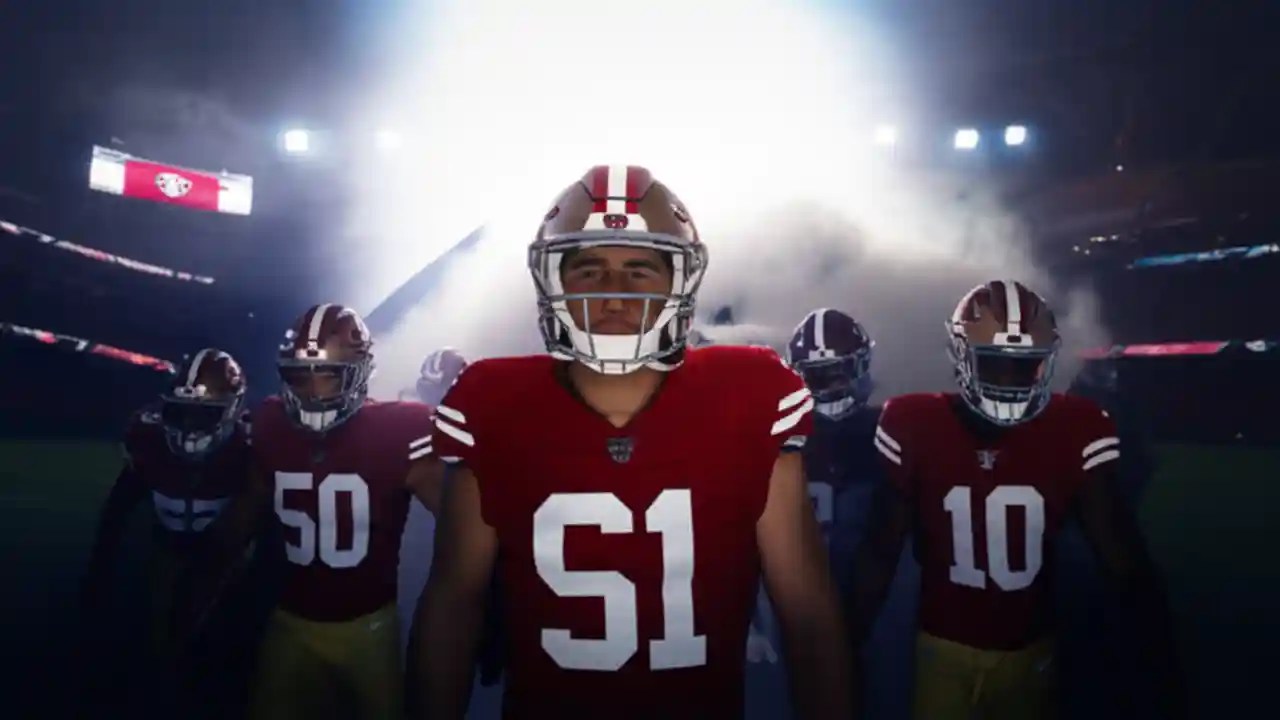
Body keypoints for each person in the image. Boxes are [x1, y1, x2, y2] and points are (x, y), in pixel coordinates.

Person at [414, 165, 853, 719]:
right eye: (589, 269)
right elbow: (455, 601)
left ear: (681, 279)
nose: (615, 293)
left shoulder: (750, 393)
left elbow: (806, 609)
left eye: (640, 269)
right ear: (552, 280)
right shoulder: (492, 399)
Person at [848, 279, 1184, 720]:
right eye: (992, 363)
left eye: (1022, 366)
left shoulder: (1075, 427)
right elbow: (880, 549)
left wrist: (1157, 649)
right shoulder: (913, 422)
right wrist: (847, 638)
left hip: (1032, 651)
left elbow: (1122, 559)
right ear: (961, 356)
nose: (1008, 381)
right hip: (943, 650)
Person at [217, 303, 444, 720]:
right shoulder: (269, 423)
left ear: (359, 373)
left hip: (370, 629)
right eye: (299, 374)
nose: (312, 389)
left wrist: (491, 599)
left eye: (328, 374)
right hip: (289, 621)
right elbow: (245, 513)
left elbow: (462, 526)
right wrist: (215, 576)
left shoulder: (399, 431)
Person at [79, 348, 255, 718]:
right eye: (182, 411)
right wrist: (101, 564)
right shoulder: (149, 437)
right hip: (169, 553)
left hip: (227, 561)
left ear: (234, 410)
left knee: (231, 642)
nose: (190, 424)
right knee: (163, 643)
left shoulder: (251, 448)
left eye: (204, 413)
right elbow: (121, 503)